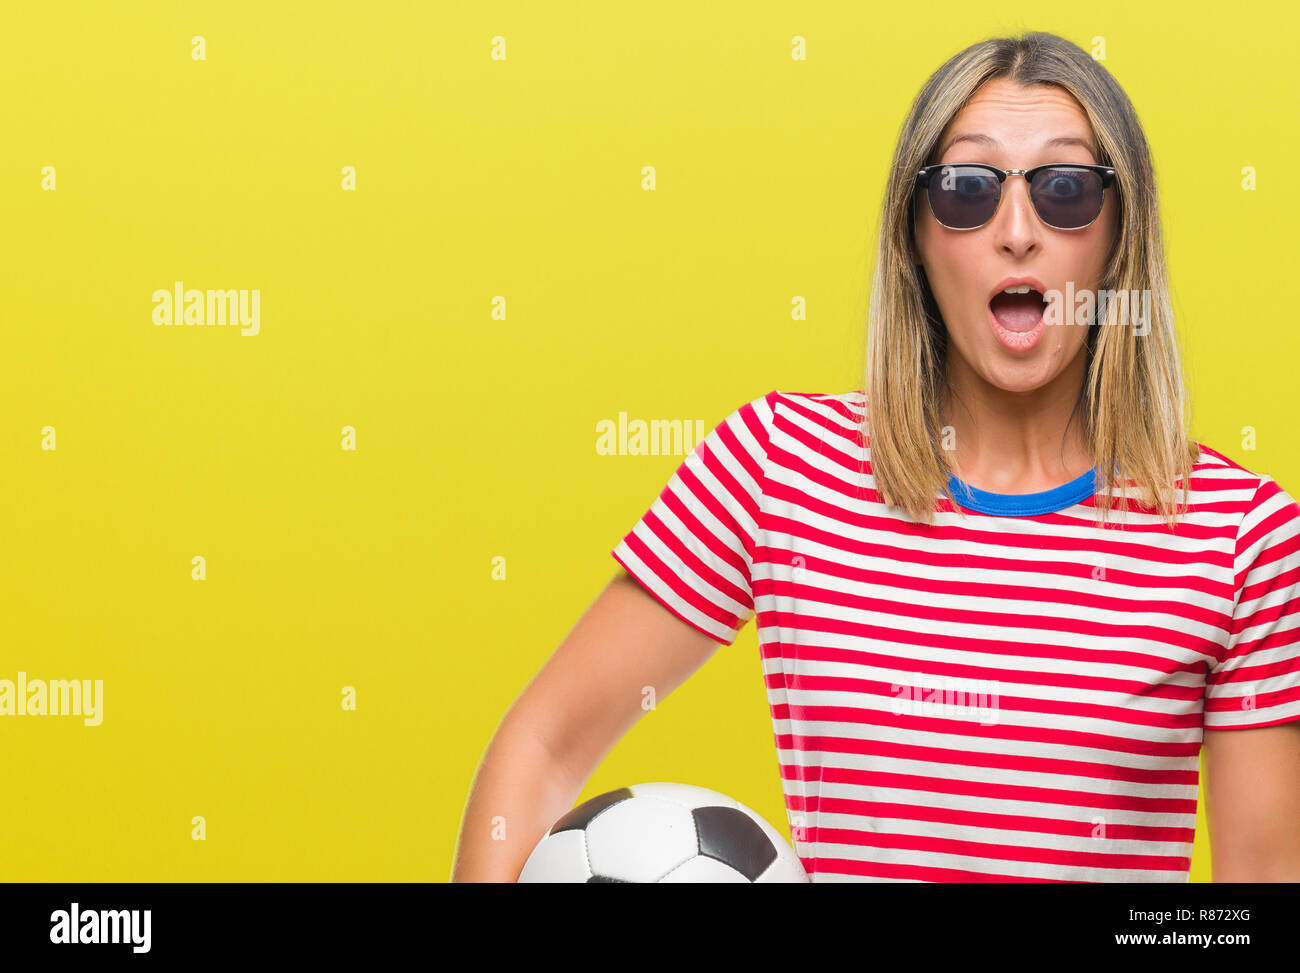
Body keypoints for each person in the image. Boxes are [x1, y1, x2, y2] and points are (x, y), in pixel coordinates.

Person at [451, 31, 1300, 882]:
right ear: (917, 241)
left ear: (1120, 235)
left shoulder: (1242, 539)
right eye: (966, 191)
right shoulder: (778, 463)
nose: (1016, 233)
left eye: (1066, 189)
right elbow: (542, 743)